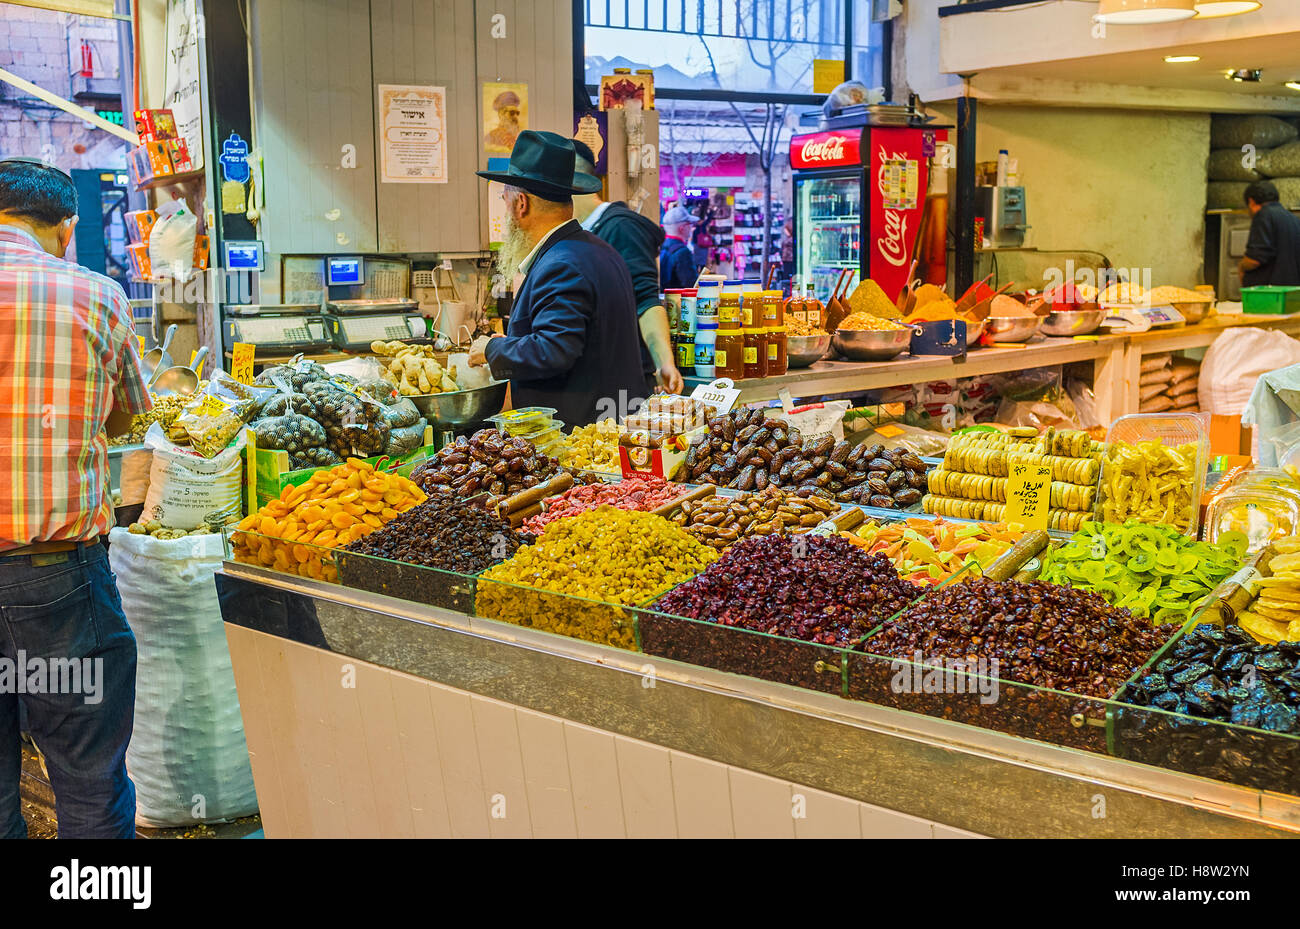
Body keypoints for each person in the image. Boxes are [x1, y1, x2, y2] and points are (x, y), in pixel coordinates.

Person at [0, 158, 151, 839]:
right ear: (65, 230)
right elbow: (127, 419)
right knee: (88, 778)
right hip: (55, 577)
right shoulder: (93, 294)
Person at [468, 131, 646, 426]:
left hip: (580, 438)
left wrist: (491, 349)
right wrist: (515, 343)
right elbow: (580, 339)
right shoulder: (597, 249)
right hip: (611, 423)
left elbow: (554, 350)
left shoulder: (561, 264)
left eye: (505, 199)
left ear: (521, 204)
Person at [571, 140, 683, 395]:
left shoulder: (620, 228)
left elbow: (646, 301)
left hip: (623, 386)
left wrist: (664, 362)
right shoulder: (583, 232)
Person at [1241, 180, 1300, 287]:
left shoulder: (1263, 215)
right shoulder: (1293, 219)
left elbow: (1255, 259)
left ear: (1251, 202)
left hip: (1269, 294)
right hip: (1291, 293)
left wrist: (1242, 266)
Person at [659, 205, 697, 292]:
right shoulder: (683, 252)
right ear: (682, 228)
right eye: (690, 224)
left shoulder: (661, 246)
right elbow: (691, 286)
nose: (692, 228)